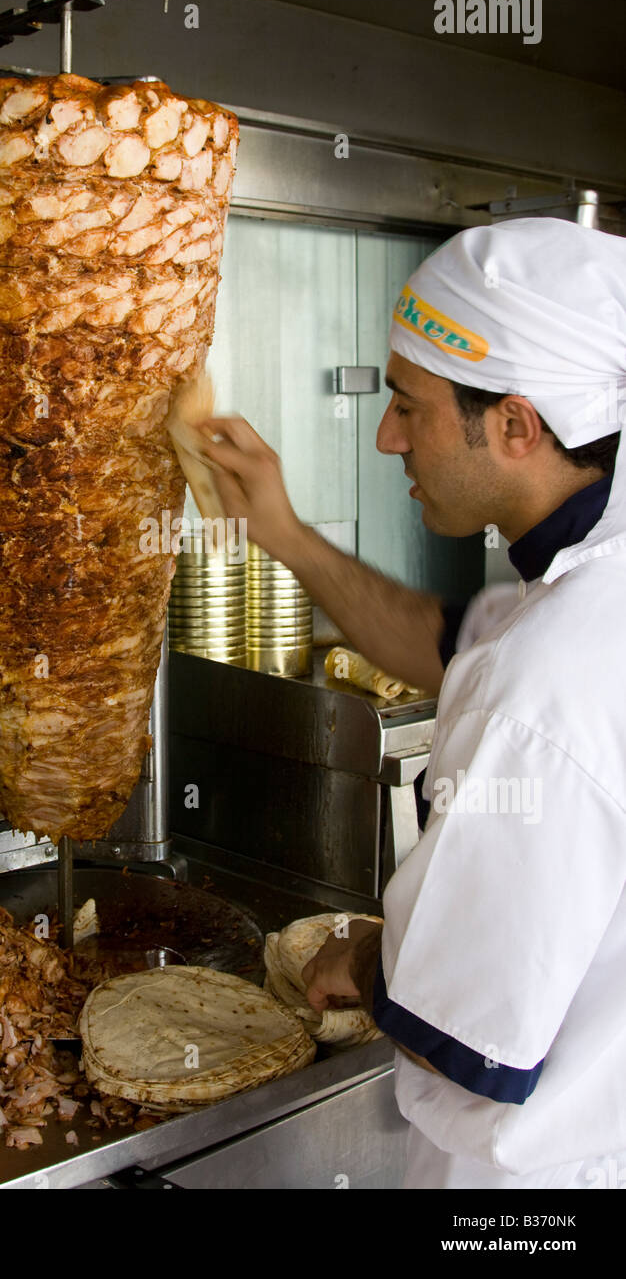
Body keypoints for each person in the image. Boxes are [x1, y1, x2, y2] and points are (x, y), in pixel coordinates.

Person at [200, 218, 626, 1189]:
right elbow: (449, 643)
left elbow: (455, 1029)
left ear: (514, 425)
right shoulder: (580, 581)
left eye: (407, 406)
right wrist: (286, 535)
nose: (387, 435)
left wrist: (371, 949)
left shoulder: (550, 676)